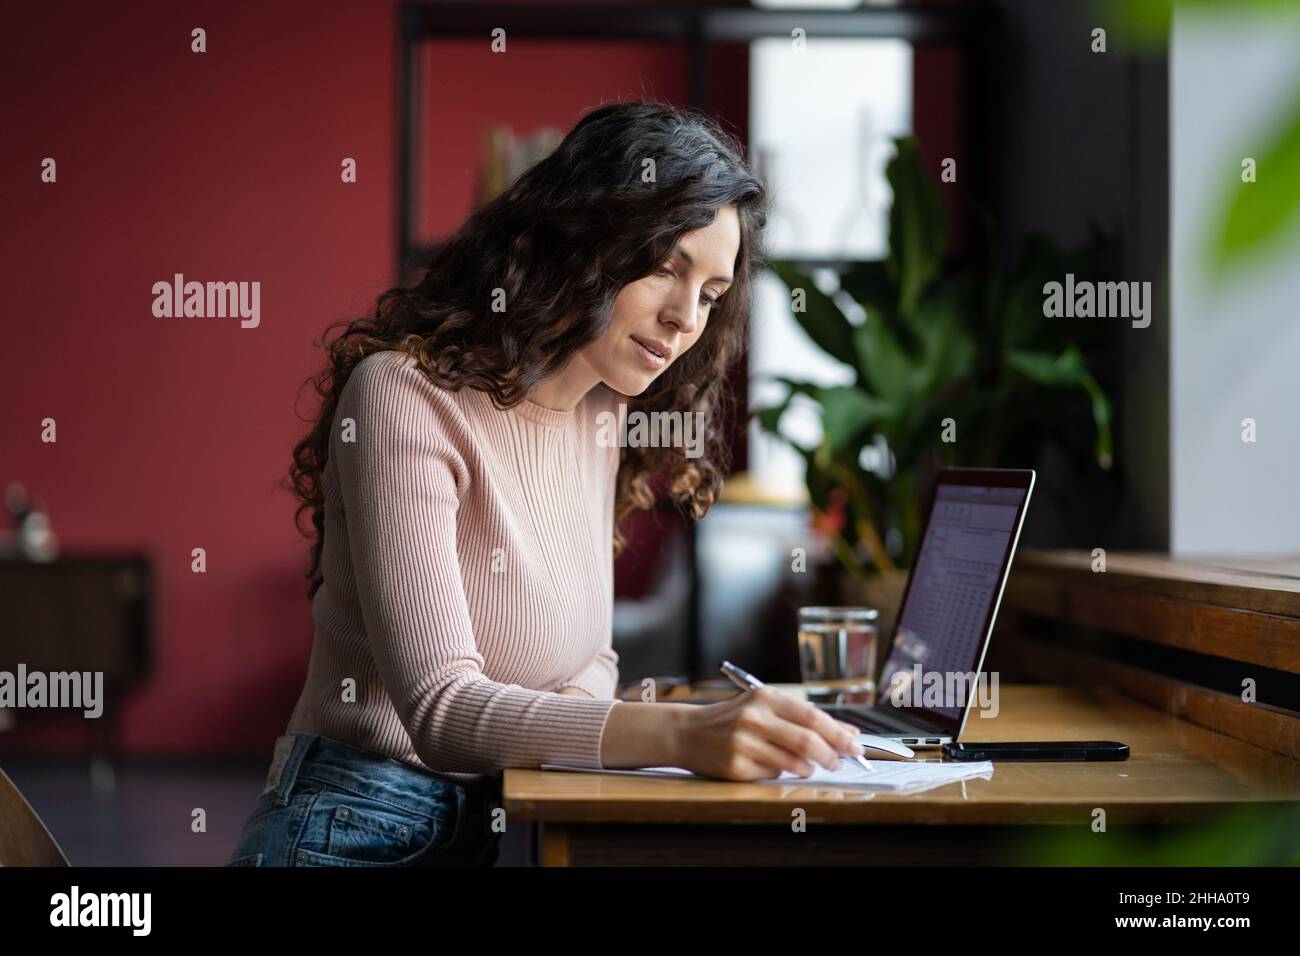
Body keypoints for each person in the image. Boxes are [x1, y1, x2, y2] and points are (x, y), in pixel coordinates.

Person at [225, 101, 865, 868]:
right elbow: (437, 709)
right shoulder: (404, 396)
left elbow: (590, 662)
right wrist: (685, 731)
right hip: (354, 822)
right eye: (666, 268)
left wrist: (575, 720)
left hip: (496, 818)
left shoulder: (601, 416)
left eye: (712, 294)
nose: (683, 318)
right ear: (584, 240)